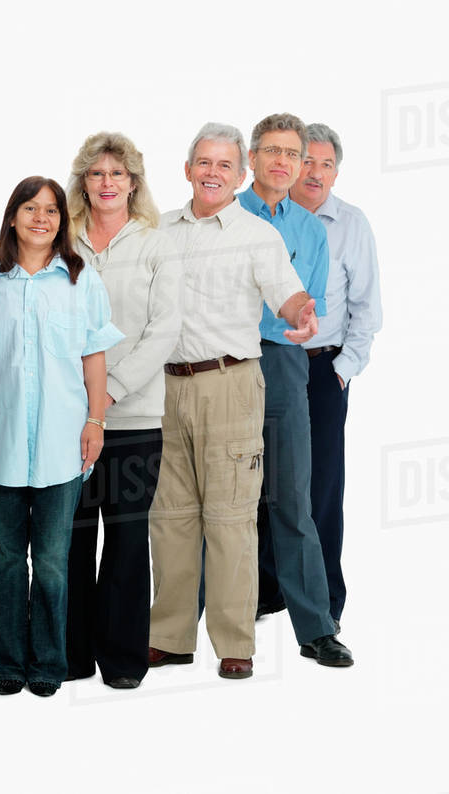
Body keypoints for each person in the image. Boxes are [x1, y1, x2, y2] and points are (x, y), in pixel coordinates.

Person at [148, 122, 317, 680]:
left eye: (224, 165)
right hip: (164, 387)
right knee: (169, 516)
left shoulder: (256, 234)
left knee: (231, 516)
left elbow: (286, 292)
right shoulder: (159, 231)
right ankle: (170, 637)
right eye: (204, 162)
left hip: (230, 384)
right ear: (188, 168)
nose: (213, 173)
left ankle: (234, 643)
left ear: (240, 174)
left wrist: (301, 314)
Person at [0, 176, 123, 698]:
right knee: (6, 561)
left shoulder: (82, 281)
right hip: (1, 441)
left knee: (54, 565)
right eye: (30, 208)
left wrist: (95, 422)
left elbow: (93, 356)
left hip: (62, 445)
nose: (41, 218)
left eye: (52, 211)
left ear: (62, 221)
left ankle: (49, 664)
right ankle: (9, 661)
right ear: (12, 217)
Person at [64, 133, 181, 689]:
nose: (107, 183)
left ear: (134, 182)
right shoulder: (61, 240)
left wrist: (108, 390)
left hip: (133, 418)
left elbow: (166, 329)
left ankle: (124, 661)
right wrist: (83, 399)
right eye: (96, 173)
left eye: (117, 173)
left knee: (129, 540)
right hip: (68, 419)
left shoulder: (156, 244)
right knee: (73, 537)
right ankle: (72, 657)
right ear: (82, 182)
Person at [237, 113, 352, 668]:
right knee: (220, 500)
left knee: (293, 497)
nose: (284, 162)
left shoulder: (311, 231)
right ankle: (205, 617)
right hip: (225, 361)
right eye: (272, 151)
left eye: (294, 153)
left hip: (285, 362)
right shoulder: (225, 214)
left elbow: (309, 308)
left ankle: (316, 628)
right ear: (252, 158)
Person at [288, 123, 382, 627]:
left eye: (327, 164)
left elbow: (368, 308)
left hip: (324, 369)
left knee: (321, 486)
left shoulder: (350, 223)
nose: (316, 172)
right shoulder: (266, 219)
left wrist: (342, 371)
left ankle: (324, 601)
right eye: (308, 161)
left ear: (336, 172)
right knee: (266, 483)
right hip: (267, 366)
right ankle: (268, 591)